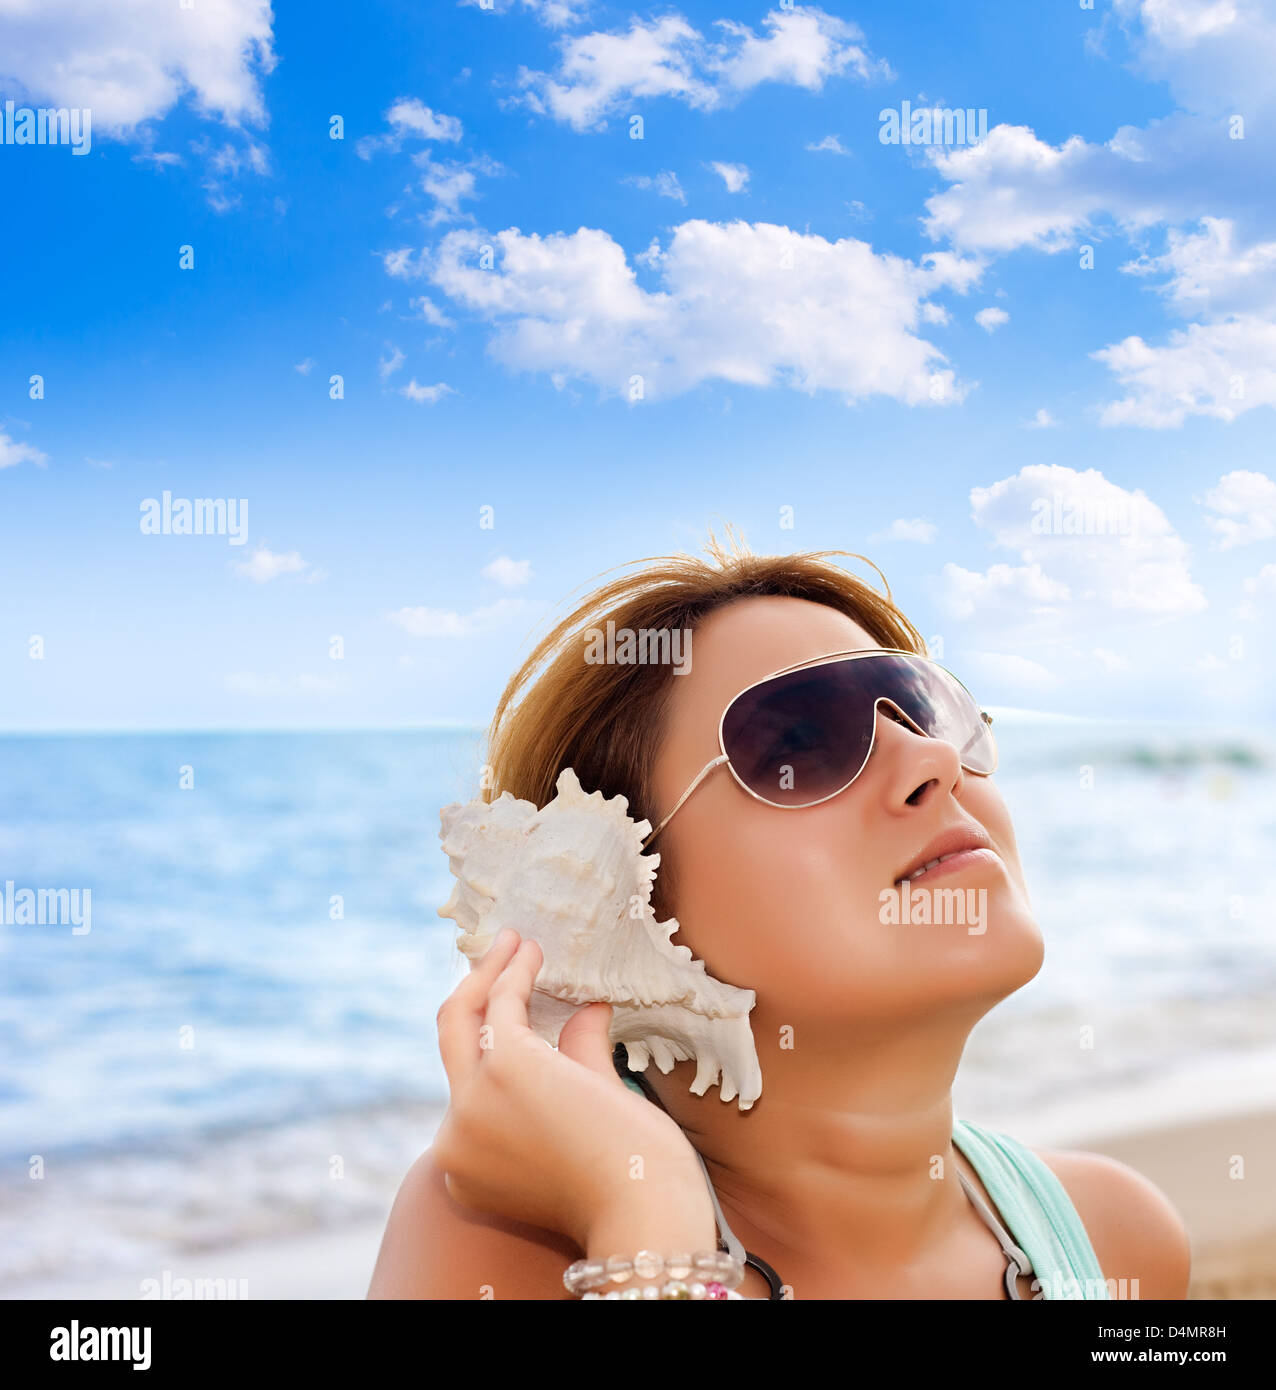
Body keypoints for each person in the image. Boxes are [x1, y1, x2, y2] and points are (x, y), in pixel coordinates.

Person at [368, 532, 1191, 1300]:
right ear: (622, 905)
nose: (934, 759)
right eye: (801, 746)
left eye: (929, 712)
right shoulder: (499, 1250)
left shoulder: (1117, 1236)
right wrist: (641, 1210)